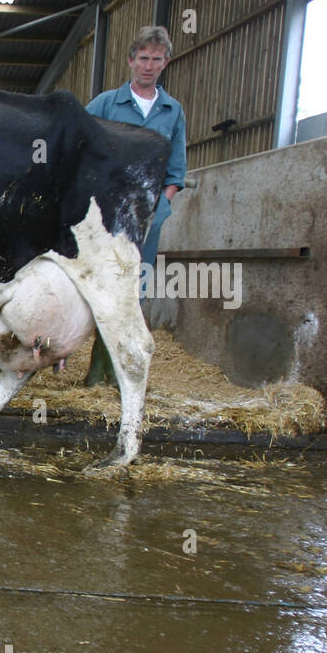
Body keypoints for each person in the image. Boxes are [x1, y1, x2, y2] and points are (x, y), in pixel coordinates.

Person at [83, 24, 188, 386]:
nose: (149, 65)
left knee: (133, 292)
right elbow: (79, 142)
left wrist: (160, 210)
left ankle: (114, 372)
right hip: (107, 214)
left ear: (165, 63)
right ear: (131, 60)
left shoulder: (172, 112)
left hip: (147, 219)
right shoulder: (106, 104)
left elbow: (176, 173)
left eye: (156, 59)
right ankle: (95, 371)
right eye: (143, 58)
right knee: (100, 285)